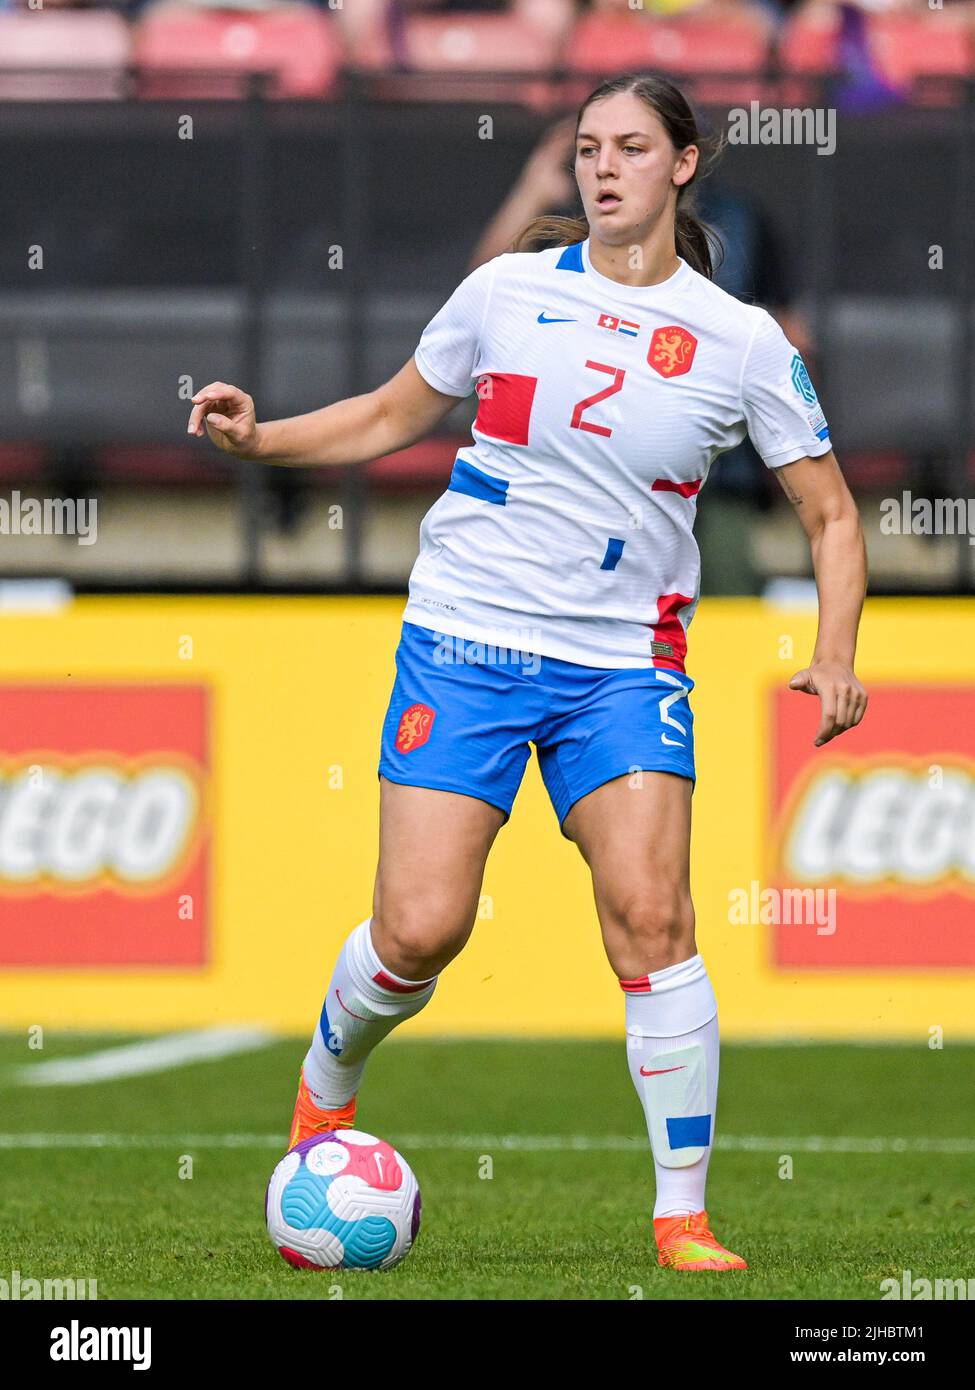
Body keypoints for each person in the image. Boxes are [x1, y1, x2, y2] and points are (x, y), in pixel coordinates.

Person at [187, 70, 868, 1273]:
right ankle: (327, 1083)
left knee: (654, 920)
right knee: (423, 926)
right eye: (589, 149)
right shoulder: (504, 293)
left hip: (622, 663)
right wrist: (263, 436)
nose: (602, 169)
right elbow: (395, 412)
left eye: (630, 149)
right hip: (469, 639)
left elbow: (830, 514)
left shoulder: (740, 337)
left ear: (684, 164)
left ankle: (683, 1218)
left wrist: (833, 655)